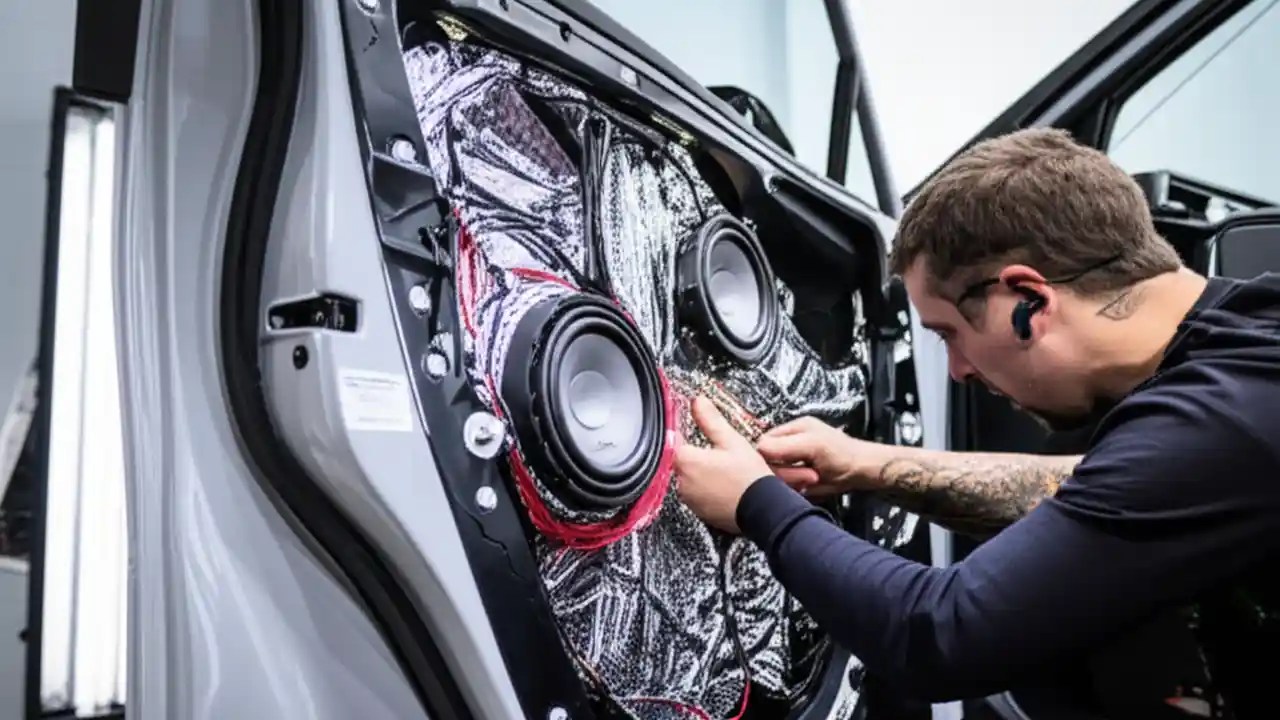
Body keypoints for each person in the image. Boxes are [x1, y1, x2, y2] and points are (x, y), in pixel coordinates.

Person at [673, 127, 1279, 717]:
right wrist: (867, 464)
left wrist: (758, 505)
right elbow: (1091, 488)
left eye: (950, 336)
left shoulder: (1222, 415)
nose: (960, 371)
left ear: (1028, 301)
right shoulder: (1245, 344)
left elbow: (940, 636)